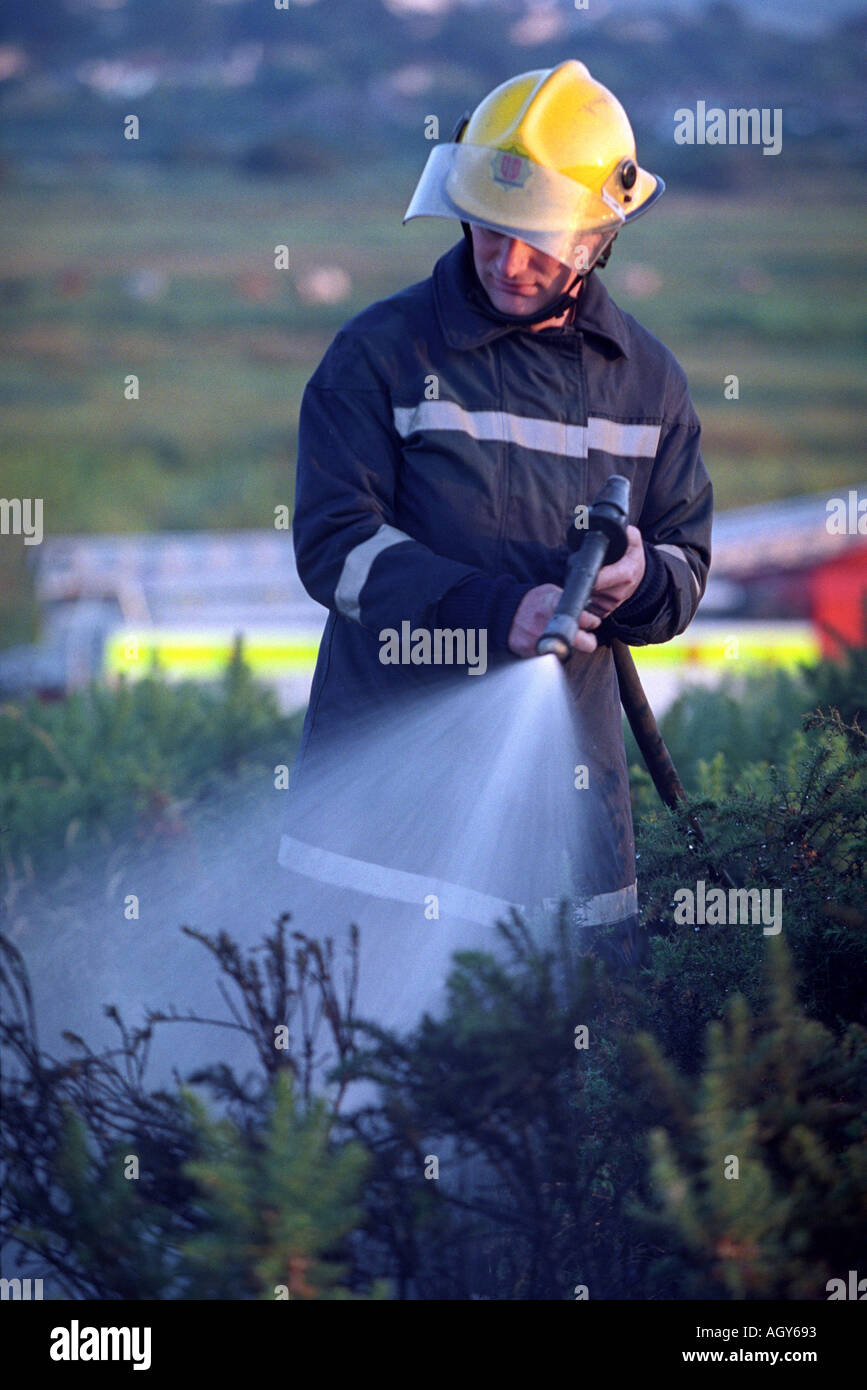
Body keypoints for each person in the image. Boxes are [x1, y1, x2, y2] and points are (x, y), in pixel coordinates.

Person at [278, 59, 713, 978]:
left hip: (568, 829)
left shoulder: (647, 381)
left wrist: (639, 581)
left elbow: (686, 565)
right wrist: (488, 610)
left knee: (567, 1083)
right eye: (488, 232)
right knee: (359, 1072)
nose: (508, 264)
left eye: (540, 242)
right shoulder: (381, 354)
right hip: (380, 829)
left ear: (601, 233)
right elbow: (333, 544)